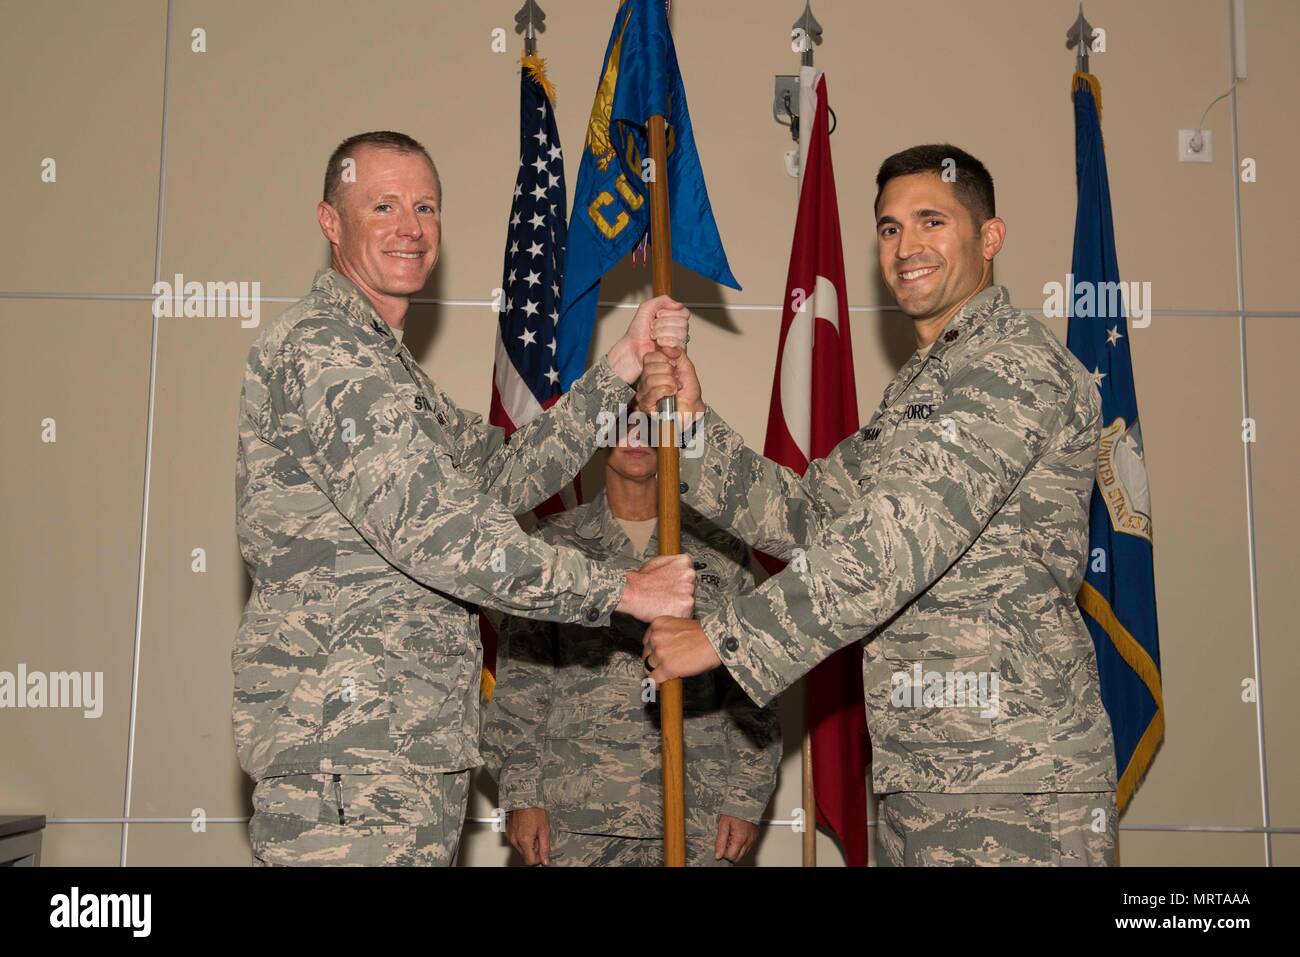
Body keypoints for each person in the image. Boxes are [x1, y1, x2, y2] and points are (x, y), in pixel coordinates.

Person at [640, 144, 1118, 866]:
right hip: (919, 772)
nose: (907, 246)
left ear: (989, 238)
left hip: (1015, 777)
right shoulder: (916, 393)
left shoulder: (1013, 365)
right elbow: (808, 515)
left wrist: (723, 638)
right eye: (890, 228)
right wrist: (695, 428)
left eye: (932, 221)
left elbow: (898, 539)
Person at [234, 130, 695, 866]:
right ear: (331, 222)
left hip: (404, 750)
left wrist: (622, 361)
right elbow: (443, 536)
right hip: (348, 754)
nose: (409, 227)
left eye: (425, 206)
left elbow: (506, 474)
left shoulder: (392, 371)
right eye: (381, 205)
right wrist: (623, 589)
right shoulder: (324, 350)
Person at [482, 427, 781, 866]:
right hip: (575, 812)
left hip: (698, 808)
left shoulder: (720, 550)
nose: (637, 436)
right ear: (599, 433)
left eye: (650, 424)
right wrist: (523, 795)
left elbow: (751, 681)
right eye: (623, 423)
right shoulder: (553, 545)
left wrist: (744, 797)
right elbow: (523, 681)